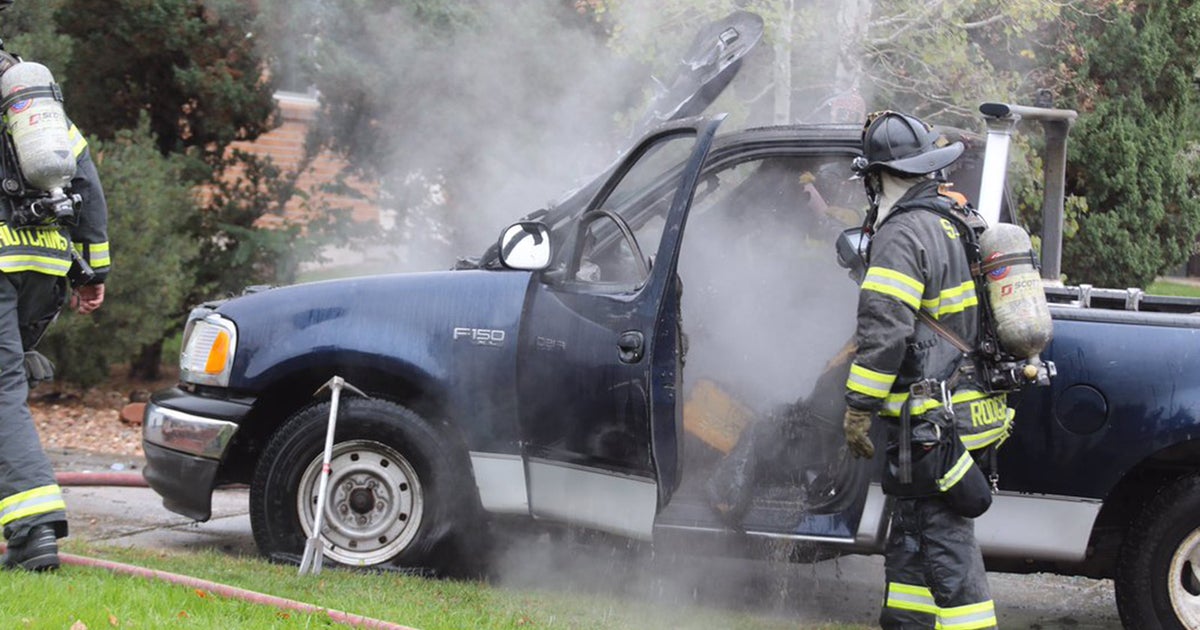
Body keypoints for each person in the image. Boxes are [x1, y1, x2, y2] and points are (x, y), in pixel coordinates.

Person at [842, 111, 1009, 629]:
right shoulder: (953, 220)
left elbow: (885, 332)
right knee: (912, 541)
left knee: (944, 545)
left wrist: (857, 408)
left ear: (878, 177)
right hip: (964, 413)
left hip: (932, 423)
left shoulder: (901, 234)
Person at [0, 22, 110, 571]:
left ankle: (33, 529)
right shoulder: (26, 93)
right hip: (43, 263)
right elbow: (84, 180)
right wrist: (94, 270)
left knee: (1, 393)